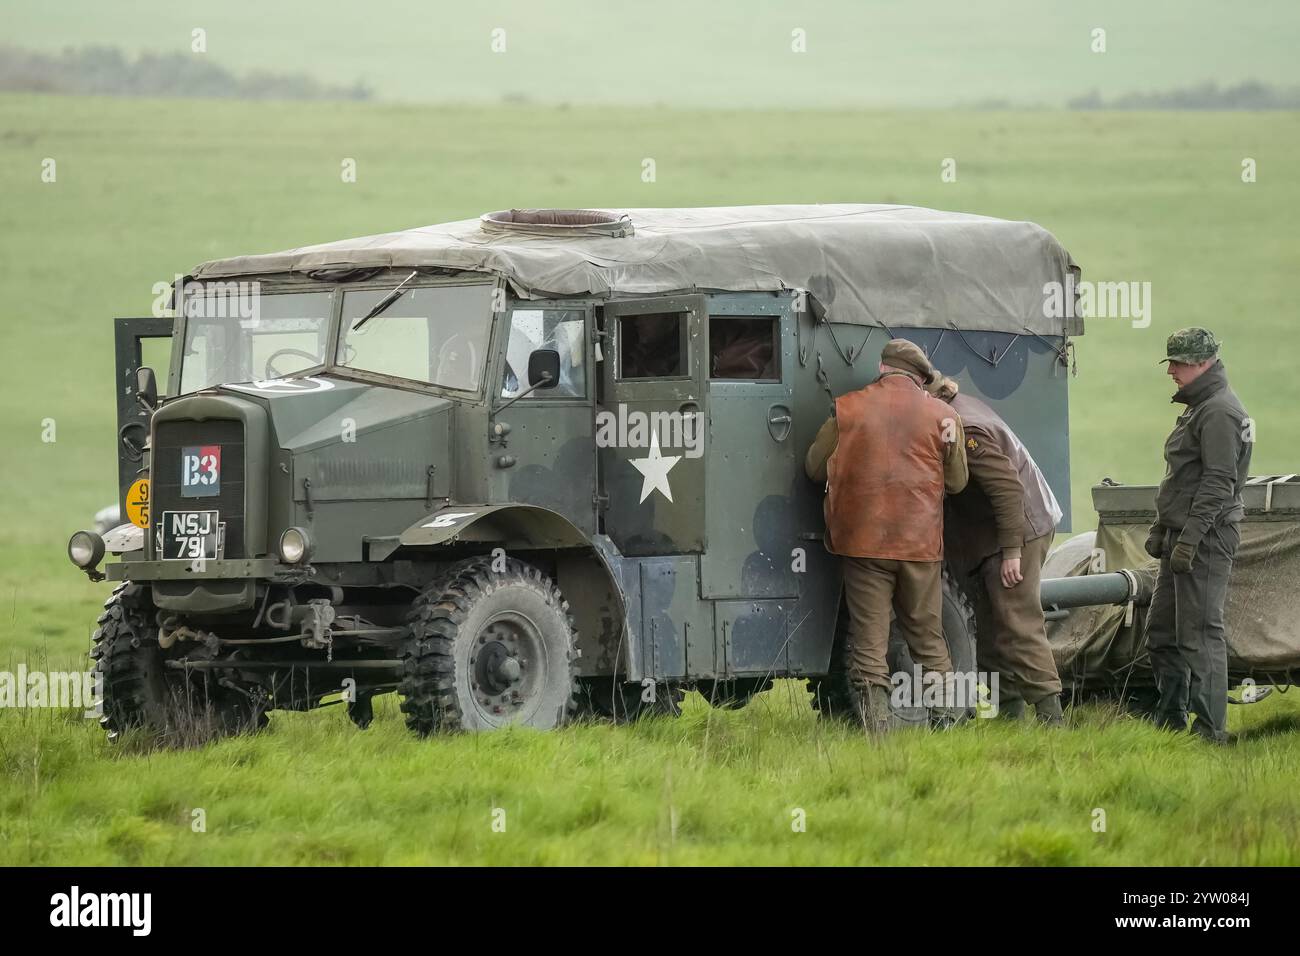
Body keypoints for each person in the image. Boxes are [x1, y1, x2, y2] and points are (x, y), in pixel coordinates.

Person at [805, 340, 968, 734]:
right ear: (920, 377)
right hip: (919, 545)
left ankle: (877, 729)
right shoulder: (943, 417)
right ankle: (946, 722)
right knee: (928, 636)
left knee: (869, 638)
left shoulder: (847, 409)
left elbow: (814, 468)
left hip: (863, 543)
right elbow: (959, 483)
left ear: (881, 368)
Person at [928, 375, 1065, 725]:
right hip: (997, 535)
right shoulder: (952, 410)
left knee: (1017, 621)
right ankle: (1009, 714)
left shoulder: (964, 427)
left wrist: (1012, 552)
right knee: (990, 624)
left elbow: (1007, 489)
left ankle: (1052, 717)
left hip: (1019, 532)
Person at [1143, 328, 1252, 744]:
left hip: (1205, 538)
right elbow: (1181, 478)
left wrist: (1188, 540)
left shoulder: (1220, 412)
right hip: (1184, 535)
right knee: (1163, 634)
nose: (1171, 370)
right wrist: (1163, 528)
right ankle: (1171, 720)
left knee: (1201, 635)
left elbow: (1218, 482)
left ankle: (1210, 733)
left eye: (1179, 363)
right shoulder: (1200, 407)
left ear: (1204, 364)